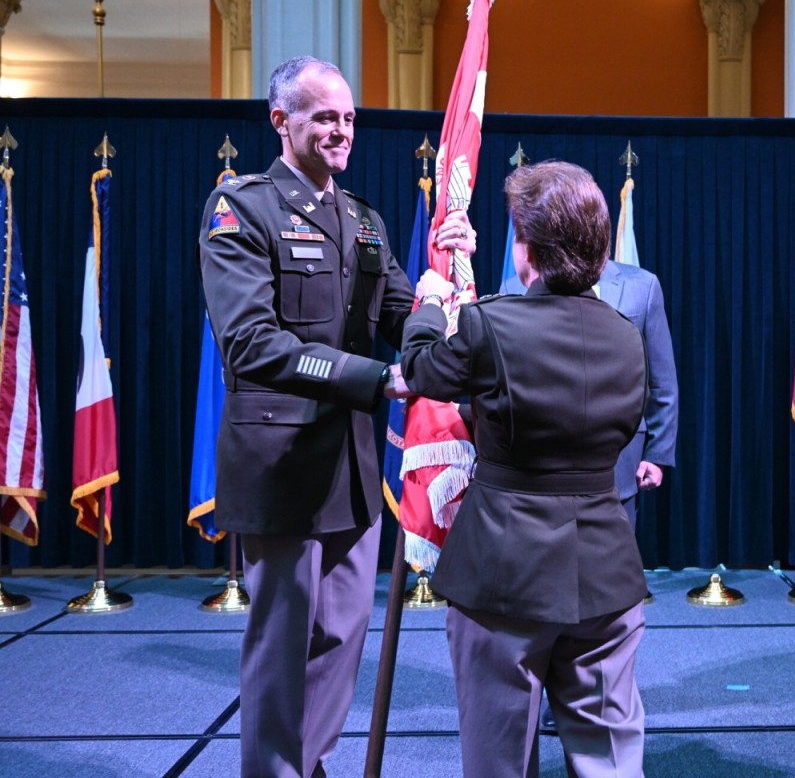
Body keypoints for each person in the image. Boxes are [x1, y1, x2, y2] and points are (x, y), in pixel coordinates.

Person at [197, 55, 474, 778]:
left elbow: (403, 318)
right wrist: (378, 379)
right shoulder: (241, 209)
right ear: (280, 120)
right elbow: (251, 344)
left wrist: (447, 286)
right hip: (280, 466)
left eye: (349, 118)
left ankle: (307, 765)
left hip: (351, 472)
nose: (342, 131)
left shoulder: (364, 221)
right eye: (324, 116)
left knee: (341, 642)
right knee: (282, 647)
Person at [400, 161, 650, 778]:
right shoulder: (626, 335)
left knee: (498, 761)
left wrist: (433, 300)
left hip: (502, 576)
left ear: (528, 250)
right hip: (604, 573)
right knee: (612, 765)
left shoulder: (491, 325)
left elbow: (421, 370)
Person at [500, 254, 677, 531]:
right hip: (542, 468)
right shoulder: (514, 289)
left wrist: (657, 454)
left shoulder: (643, 286)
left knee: (615, 567)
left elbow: (662, 381)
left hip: (621, 465)